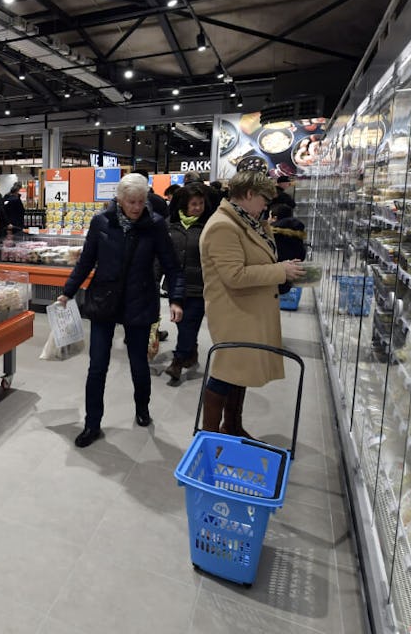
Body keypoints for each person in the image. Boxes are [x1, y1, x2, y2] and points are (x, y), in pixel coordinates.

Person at [58, 173, 185, 446]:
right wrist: (68, 292)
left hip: (140, 299)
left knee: (138, 363)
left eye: (141, 201)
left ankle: (142, 408)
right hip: (104, 299)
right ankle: (92, 424)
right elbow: (86, 261)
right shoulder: (101, 222)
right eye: (131, 202)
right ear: (119, 199)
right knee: (97, 367)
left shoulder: (156, 225)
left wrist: (176, 299)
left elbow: (172, 266)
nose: (137, 207)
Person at [199, 171, 305, 437]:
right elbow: (234, 275)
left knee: (240, 372)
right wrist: (281, 271)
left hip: (247, 310)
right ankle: (209, 435)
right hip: (234, 312)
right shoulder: (224, 226)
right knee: (226, 373)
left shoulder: (247, 221)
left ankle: (232, 426)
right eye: (263, 199)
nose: (266, 205)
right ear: (247, 194)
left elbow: (261, 257)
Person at [163, 183, 213, 384]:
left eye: (201, 203)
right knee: (182, 324)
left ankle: (177, 361)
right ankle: (191, 351)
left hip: (198, 285)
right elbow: (161, 255)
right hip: (175, 285)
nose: (198, 208)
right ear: (183, 204)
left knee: (188, 324)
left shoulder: (209, 227)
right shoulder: (170, 225)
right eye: (194, 204)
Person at [269, 203, 307, 294]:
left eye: (269, 216)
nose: (268, 219)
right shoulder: (298, 233)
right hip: (289, 280)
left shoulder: (271, 234)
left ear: (275, 218)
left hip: (273, 279)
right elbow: (302, 254)